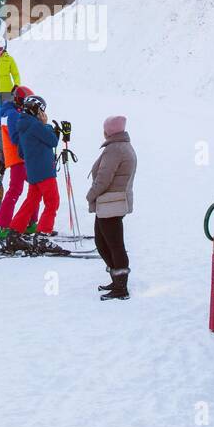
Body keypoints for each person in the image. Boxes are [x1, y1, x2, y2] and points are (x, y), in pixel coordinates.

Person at [86, 115, 137, 301]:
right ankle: (117, 279)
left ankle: (121, 287)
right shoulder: (122, 146)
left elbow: (103, 179)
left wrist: (90, 195)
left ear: (109, 131)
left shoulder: (115, 149)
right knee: (104, 242)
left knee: (113, 245)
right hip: (112, 203)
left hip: (110, 203)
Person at [8, 94, 61, 236]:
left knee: (31, 201)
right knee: (52, 202)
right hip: (44, 171)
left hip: (33, 171)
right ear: (35, 109)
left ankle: (15, 230)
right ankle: (43, 234)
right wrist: (46, 126)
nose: (42, 114)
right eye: (41, 111)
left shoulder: (23, 124)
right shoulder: (35, 125)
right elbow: (53, 141)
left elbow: (21, 152)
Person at [0, 84, 34, 231]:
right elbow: (16, 137)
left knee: (34, 188)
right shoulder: (13, 114)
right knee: (16, 190)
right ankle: (3, 225)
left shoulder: (12, 112)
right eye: (27, 102)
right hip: (19, 158)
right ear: (19, 100)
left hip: (21, 157)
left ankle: (29, 221)